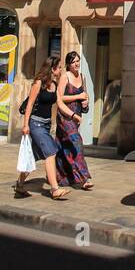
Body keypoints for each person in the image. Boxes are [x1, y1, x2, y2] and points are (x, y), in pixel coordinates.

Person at [17, 55, 70, 200]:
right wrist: (25, 125)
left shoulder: (54, 84)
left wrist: (72, 115)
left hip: (46, 125)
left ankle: (20, 185)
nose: (61, 70)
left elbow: (59, 103)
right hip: (36, 124)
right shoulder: (38, 83)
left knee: (33, 156)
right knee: (51, 152)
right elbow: (29, 104)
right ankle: (54, 189)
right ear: (52, 69)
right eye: (59, 67)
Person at [54, 51, 94, 190]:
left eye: (78, 61)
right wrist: (78, 97)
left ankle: (62, 176)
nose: (76, 64)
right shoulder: (65, 77)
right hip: (65, 116)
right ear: (68, 64)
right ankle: (84, 178)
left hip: (76, 116)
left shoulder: (82, 77)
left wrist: (85, 102)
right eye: (73, 62)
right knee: (77, 143)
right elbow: (59, 98)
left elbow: (85, 95)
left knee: (64, 146)